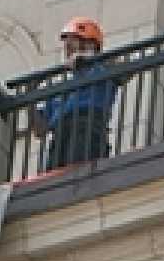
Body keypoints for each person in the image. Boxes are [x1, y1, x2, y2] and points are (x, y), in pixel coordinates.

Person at [32, 17, 124, 172]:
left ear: (89, 44)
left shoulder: (101, 69)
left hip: (86, 126)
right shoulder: (60, 89)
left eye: (72, 42)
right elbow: (40, 130)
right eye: (67, 45)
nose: (67, 49)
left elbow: (124, 71)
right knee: (54, 180)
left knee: (79, 173)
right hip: (60, 134)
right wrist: (30, 99)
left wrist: (87, 59)